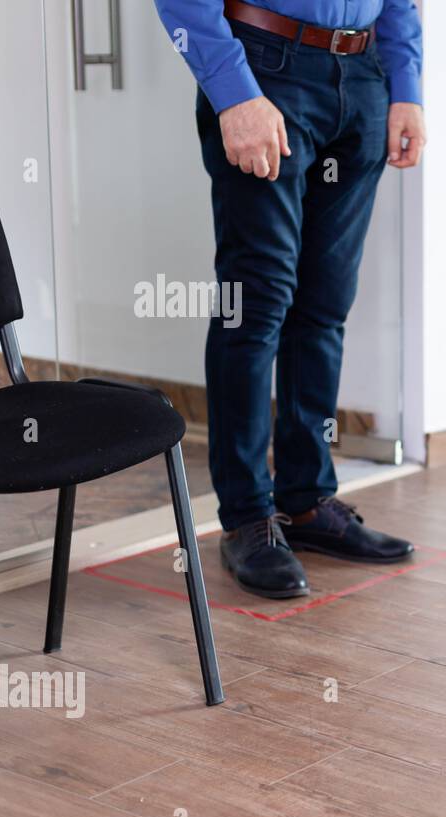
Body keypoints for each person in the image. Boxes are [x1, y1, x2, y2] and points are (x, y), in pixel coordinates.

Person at [152, 0, 426, 599]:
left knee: (325, 304)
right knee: (256, 306)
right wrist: (233, 92)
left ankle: (307, 503)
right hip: (266, 73)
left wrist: (405, 85)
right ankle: (248, 518)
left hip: (363, 73)